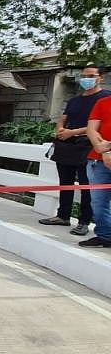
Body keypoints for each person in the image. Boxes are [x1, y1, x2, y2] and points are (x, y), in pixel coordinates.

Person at [40, 65, 109, 236]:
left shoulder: (105, 98)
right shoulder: (75, 100)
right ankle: (63, 215)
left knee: (87, 185)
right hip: (67, 145)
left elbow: (96, 126)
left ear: (101, 78)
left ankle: (84, 221)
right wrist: (61, 129)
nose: (87, 79)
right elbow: (63, 118)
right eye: (84, 75)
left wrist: (73, 132)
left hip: (88, 146)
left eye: (91, 75)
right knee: (65, 182)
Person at [82, 73, 111, 249]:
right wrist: (101, 148)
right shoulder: (103, 103)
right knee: (99, 202)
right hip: (97, 162)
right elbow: (92, 129)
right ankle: (105, 236)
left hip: (106, 153)